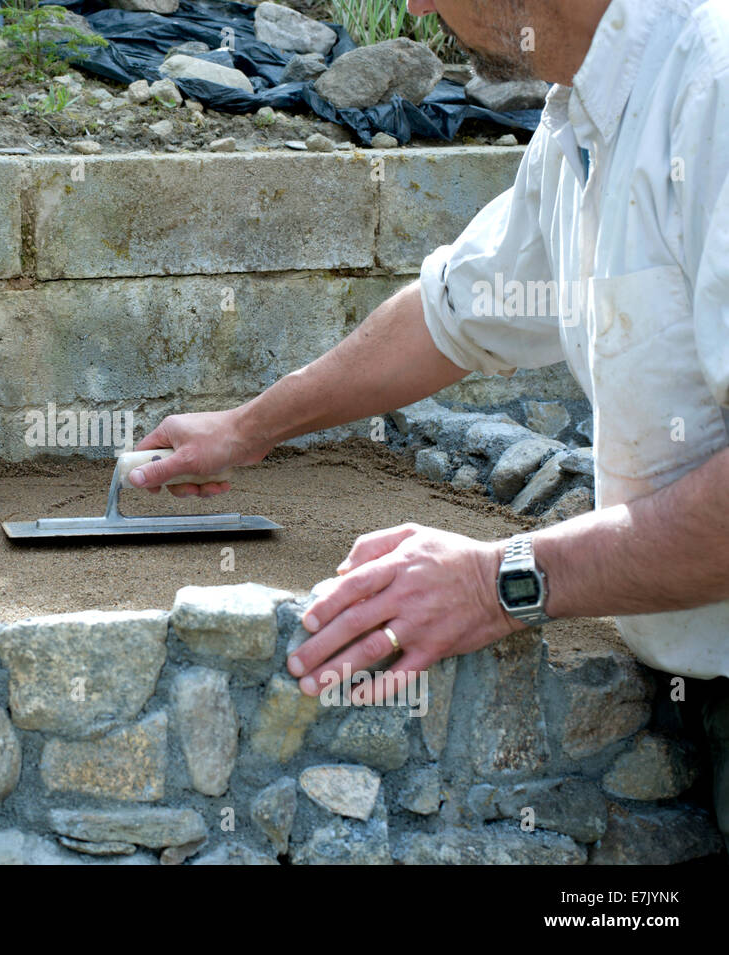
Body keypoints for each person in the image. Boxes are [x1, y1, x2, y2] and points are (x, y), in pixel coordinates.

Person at [127, 0, 729, 846]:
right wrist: (248, 428)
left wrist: (499, 580)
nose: (413, 5)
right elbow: (455, 311)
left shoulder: (712, 86)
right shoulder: (581, 124)